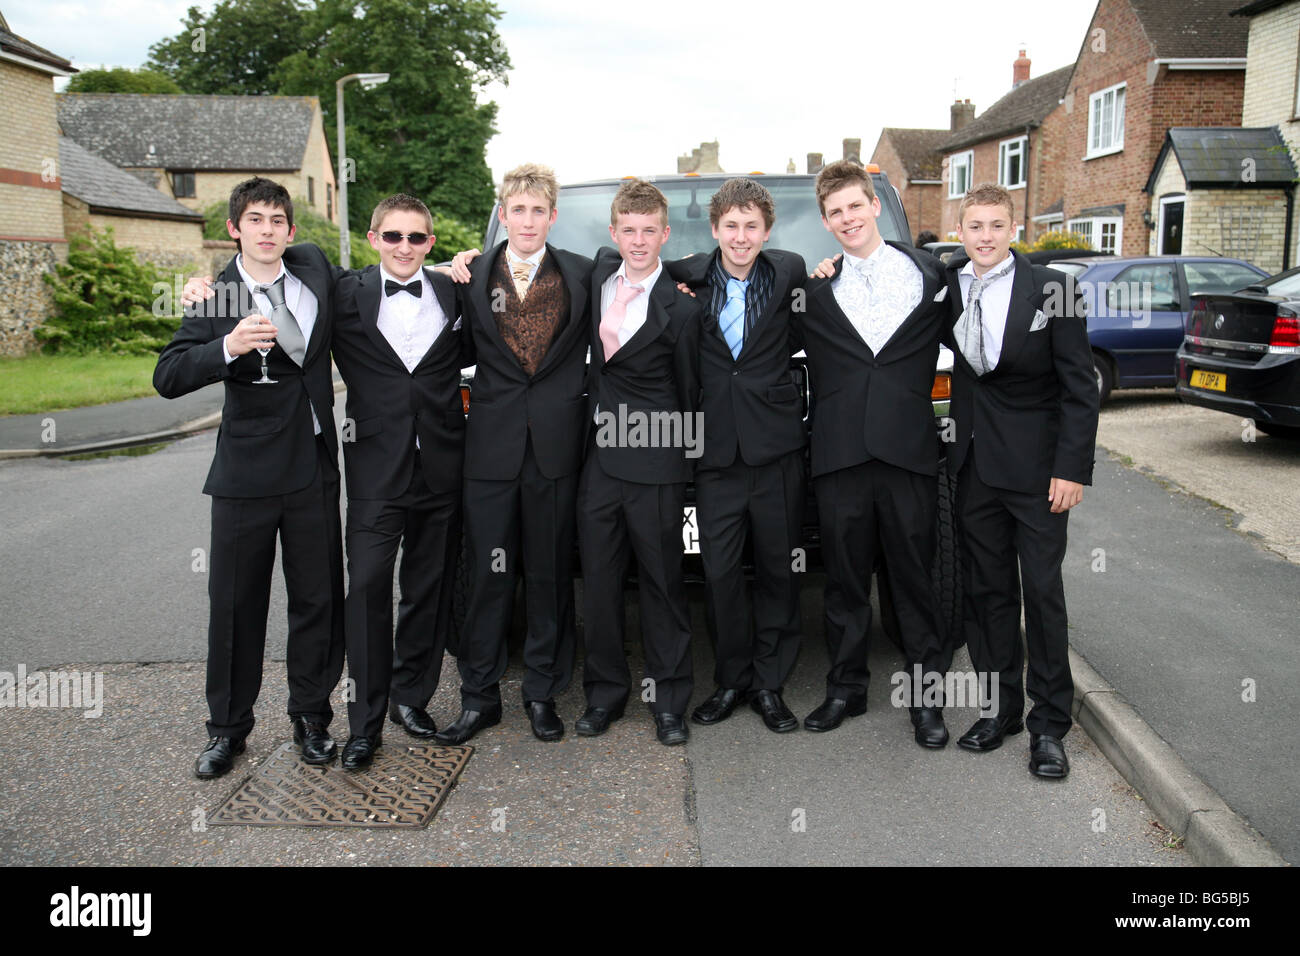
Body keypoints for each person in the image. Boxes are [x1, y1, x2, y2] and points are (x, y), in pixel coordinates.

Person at [154, 176, 344, 779]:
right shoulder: (215, 297)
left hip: (312, 466)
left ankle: (312, 719)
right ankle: (227, 731)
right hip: (244, 476)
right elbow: (169, 374)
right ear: (234, 229)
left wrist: (464, 262)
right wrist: (229, 346)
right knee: (235, 606)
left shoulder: (313, 267)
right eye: (256, 220)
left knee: (318, 601)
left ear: (292, 229)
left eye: (278, 220)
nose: (268, 230)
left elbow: (387, 272)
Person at [941, 182, 1099, 778]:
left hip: (1039, 475)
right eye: (974, 226)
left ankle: (1049, 725)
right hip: (973, 466)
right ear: (962, 230)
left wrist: (1071, 469)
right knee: (988, 595)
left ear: (1014, 227)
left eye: (995, 225)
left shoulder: (1054, 289)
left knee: (1042, 592)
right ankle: (1000, 710)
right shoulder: (946, 286)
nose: (984, 236)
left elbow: (1080, 387)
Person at [436, 164, 593, 746]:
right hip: (491, 454)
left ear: (553, 217)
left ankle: (542, 694)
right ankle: (479, 697)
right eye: (516, 209)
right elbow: (392, 278)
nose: (527, 220)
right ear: (503, 213)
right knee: (485, 578)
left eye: (538, 210)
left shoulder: (583, 273)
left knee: (550, 577)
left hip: (555, 452)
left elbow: (651, 273)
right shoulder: (470, 275)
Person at [799, 160, 951, 745]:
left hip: (908, 454)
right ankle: (845, 690)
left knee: (914, 581)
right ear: (826, 221)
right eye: (835, 212)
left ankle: (927, 701)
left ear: (875, 207)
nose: (847, 219)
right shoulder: (814, 292)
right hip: (839, 459)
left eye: (855, 207)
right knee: (843, 582)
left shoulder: (932, 277)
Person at [662, 178, 808, 734]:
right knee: (720, 574)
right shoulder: (686, 277)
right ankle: (730, 681)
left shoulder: (790, 271)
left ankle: (769, 685)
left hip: (776, 451)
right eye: (731, 226)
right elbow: (615, 260)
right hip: (715, 454)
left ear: (767, 232)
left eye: (751, 227)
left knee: (779, 571)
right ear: (715, 229)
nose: (741, 237)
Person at [329, 194, 468, 769]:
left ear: (430, 244)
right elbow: (270, 273)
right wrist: (201, 284)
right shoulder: (343, 293)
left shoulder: (454, 290)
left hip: (441, 465)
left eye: (416, 238)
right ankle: (364, 724)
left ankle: (411, 698)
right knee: (365, 590)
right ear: (373, 239)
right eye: (394, 237)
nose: (405, 247)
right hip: (374, 472)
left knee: (428, 590)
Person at [575, 180, 702, 745]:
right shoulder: (597, 278)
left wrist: (684, 460)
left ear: (665, 234)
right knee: (600, 585)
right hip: (598, 458)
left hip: (657, 459)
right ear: (614, 233)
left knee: (662, 584)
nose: (638, 240)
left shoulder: (682, 306)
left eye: (650, 231)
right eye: (628, 230)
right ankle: (604, 697)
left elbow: (691, 390)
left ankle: (670, 701)